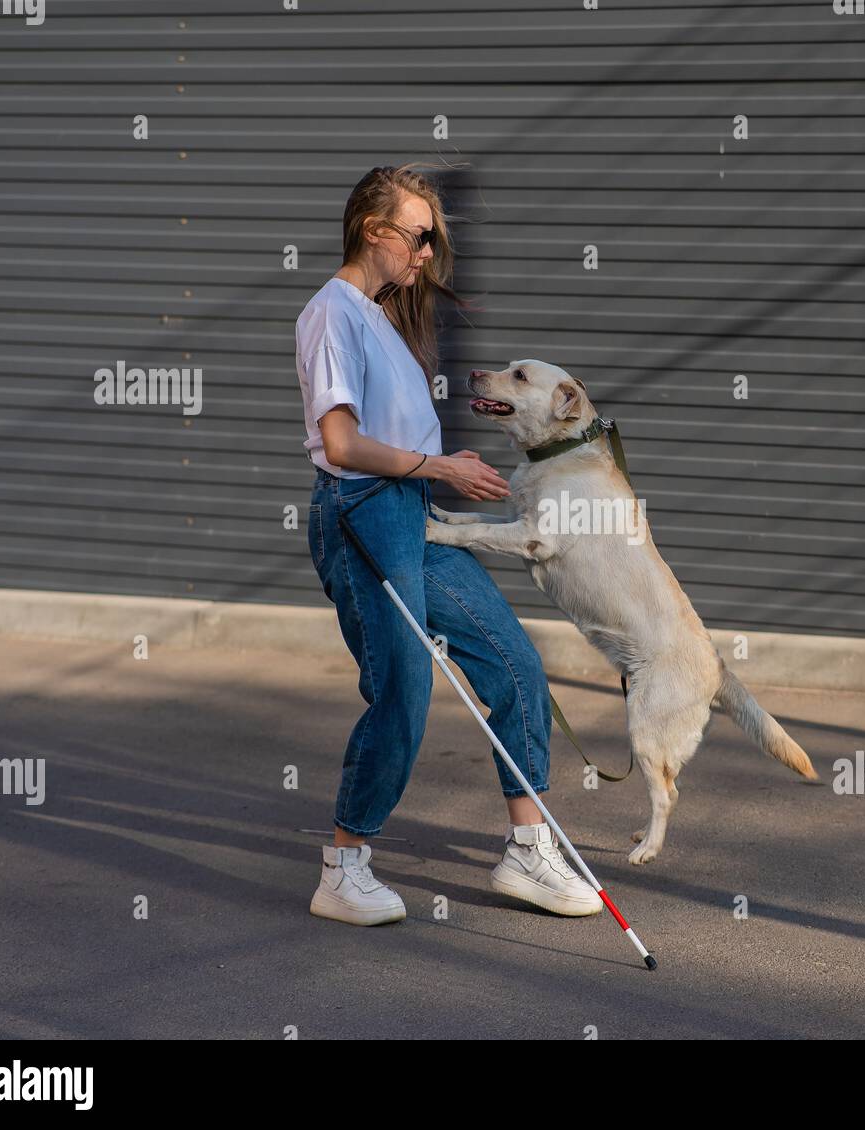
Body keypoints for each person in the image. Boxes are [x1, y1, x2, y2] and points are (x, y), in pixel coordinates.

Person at [295, 162, 602, 926]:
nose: (426, 253)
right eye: (419, 236)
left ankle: (529, 853)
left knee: (513, 664)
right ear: (376, 231)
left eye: (431, 238)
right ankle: (344, 865)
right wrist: (438, 465)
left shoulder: (380, 318)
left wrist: (439, 475)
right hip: (364, 510)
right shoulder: (331, 313)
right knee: (404, 690)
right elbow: (339, 441)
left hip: (411, 510)